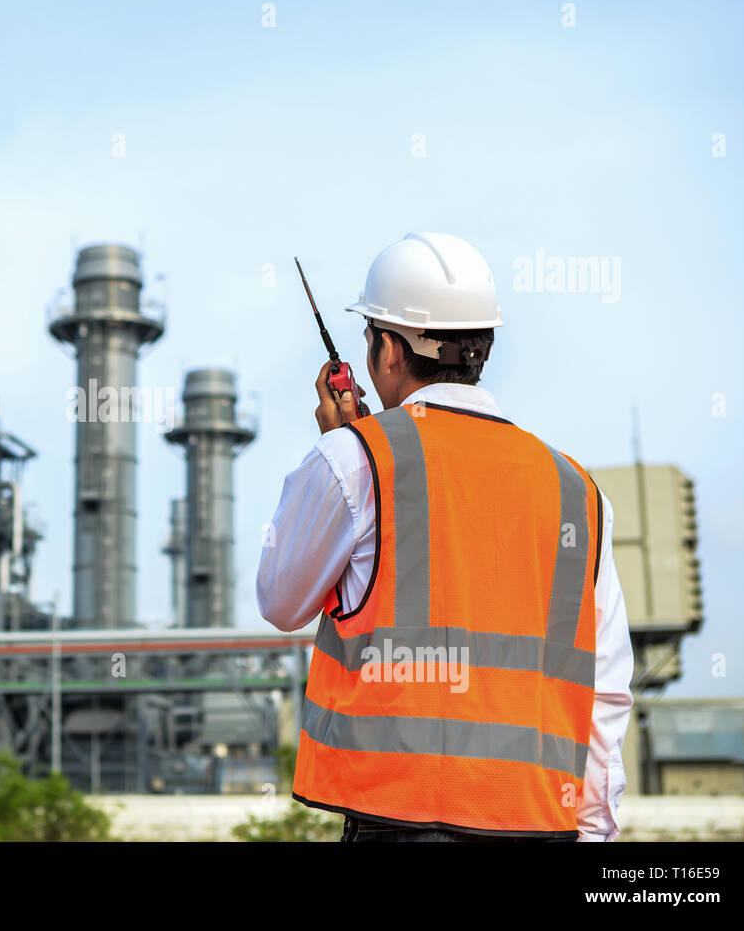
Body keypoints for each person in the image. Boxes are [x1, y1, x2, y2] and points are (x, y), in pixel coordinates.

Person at [257, 232, 634, 842]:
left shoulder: (355, 460)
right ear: (482, 347)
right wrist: (592, 835)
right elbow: (607, 689)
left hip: (398, 824)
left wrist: (339, 447)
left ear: (385, 350)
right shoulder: (578, 490)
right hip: (543, 825)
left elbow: (280, 601)